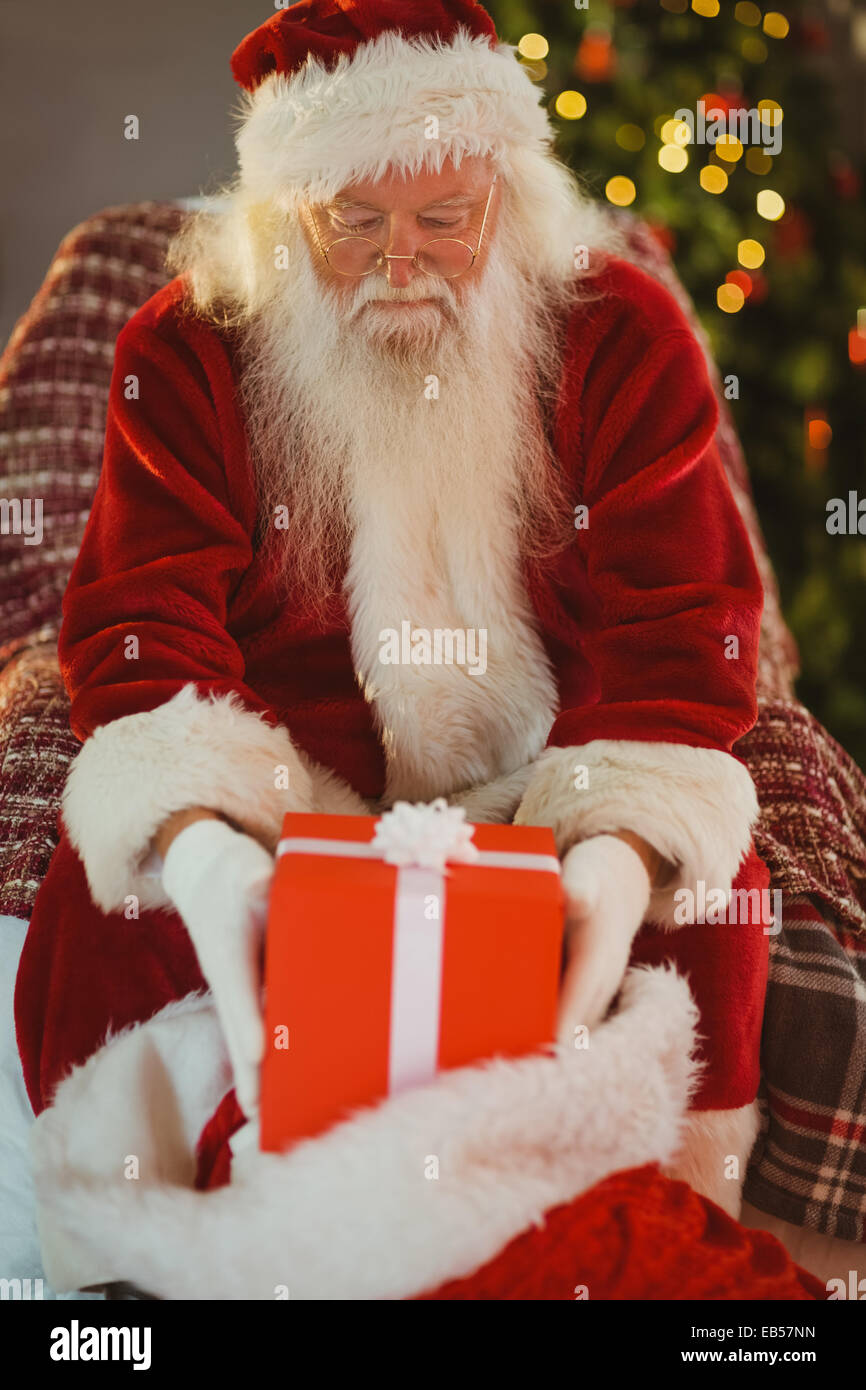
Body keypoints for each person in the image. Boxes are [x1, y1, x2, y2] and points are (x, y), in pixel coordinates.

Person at [15, 0, 772, 1296]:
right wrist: (202, 843)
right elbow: (142, 618)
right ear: (282, 214)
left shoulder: (623, 334)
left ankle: (628, 1242)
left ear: (508, 201)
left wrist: (613, 849)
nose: (398, 263)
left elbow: (685, 628)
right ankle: (165, 1257)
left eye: (443, 221)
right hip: (279, 791)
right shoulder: (183, 344)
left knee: (711, 891)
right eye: (351, 223)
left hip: (544, 790)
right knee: (116, 888)